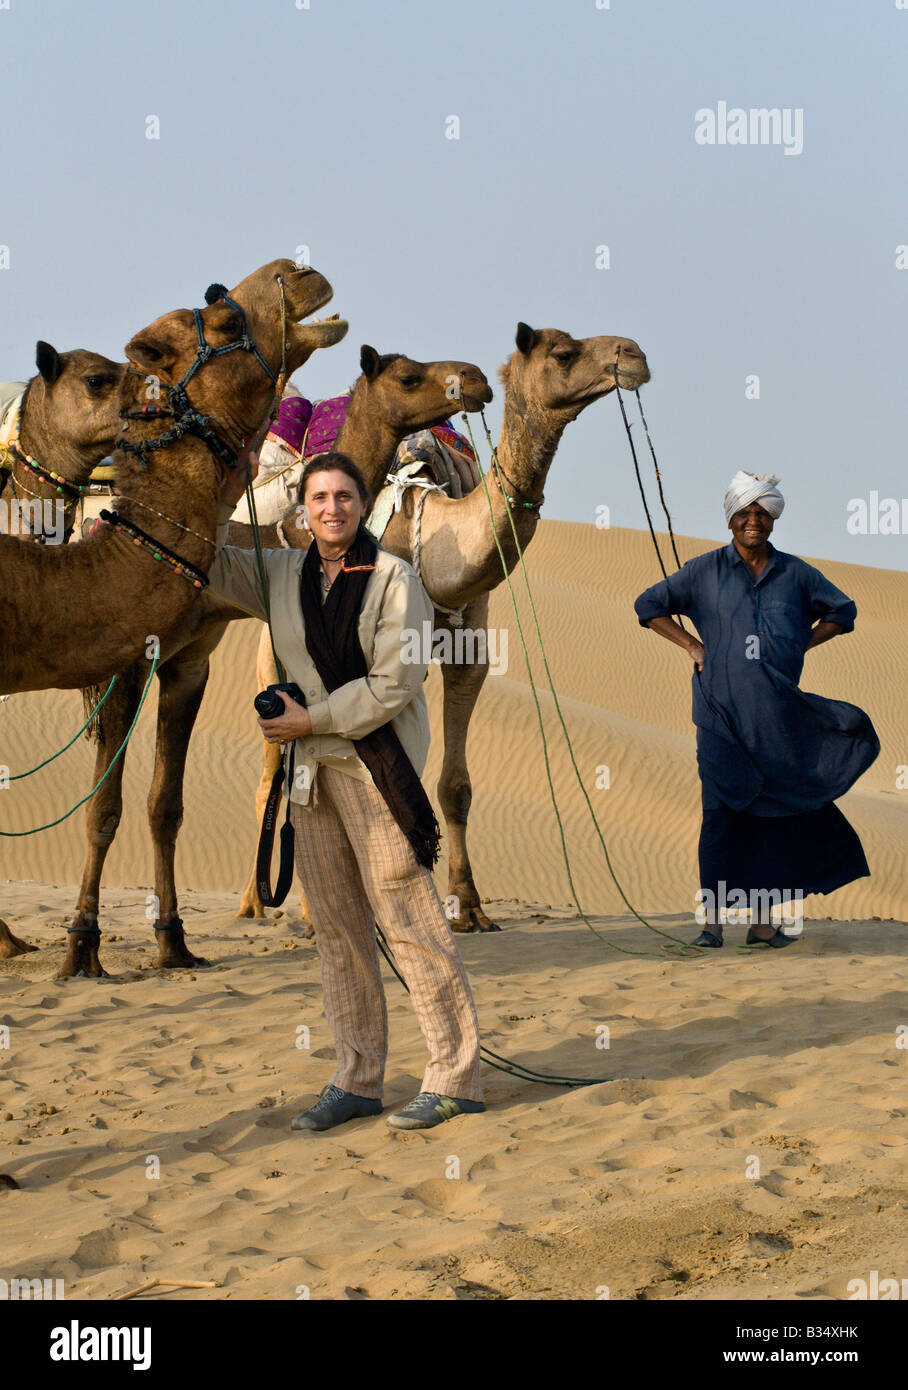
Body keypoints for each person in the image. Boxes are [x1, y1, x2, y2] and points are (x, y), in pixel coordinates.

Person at [209, 450, 484, 1130]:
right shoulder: (277, 574)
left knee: (411, 925)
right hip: (309, 780)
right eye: (319, 497)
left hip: (373, 772)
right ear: (301, 509)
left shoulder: (396, 580)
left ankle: (455, 1075)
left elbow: (396, 683)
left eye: (343, 497)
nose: (331, 508)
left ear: (363, 505)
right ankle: (358, 1076)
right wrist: (214, 481)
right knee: (336, 931)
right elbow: (206, 563)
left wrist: (314, 718)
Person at [634, 470, 880, 949]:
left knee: (774, 818)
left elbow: (842, 612)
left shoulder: (797, 573)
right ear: (731, 519)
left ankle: (764, 925)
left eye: (762, 514)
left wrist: (799, 646)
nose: (753, 522)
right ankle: (712, 925)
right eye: (745, 514)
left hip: (778, 718)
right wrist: (691, 645)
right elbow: (648, 604)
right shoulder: (704, 571)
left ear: (772, 520)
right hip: (720, 716)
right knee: (721, 816)